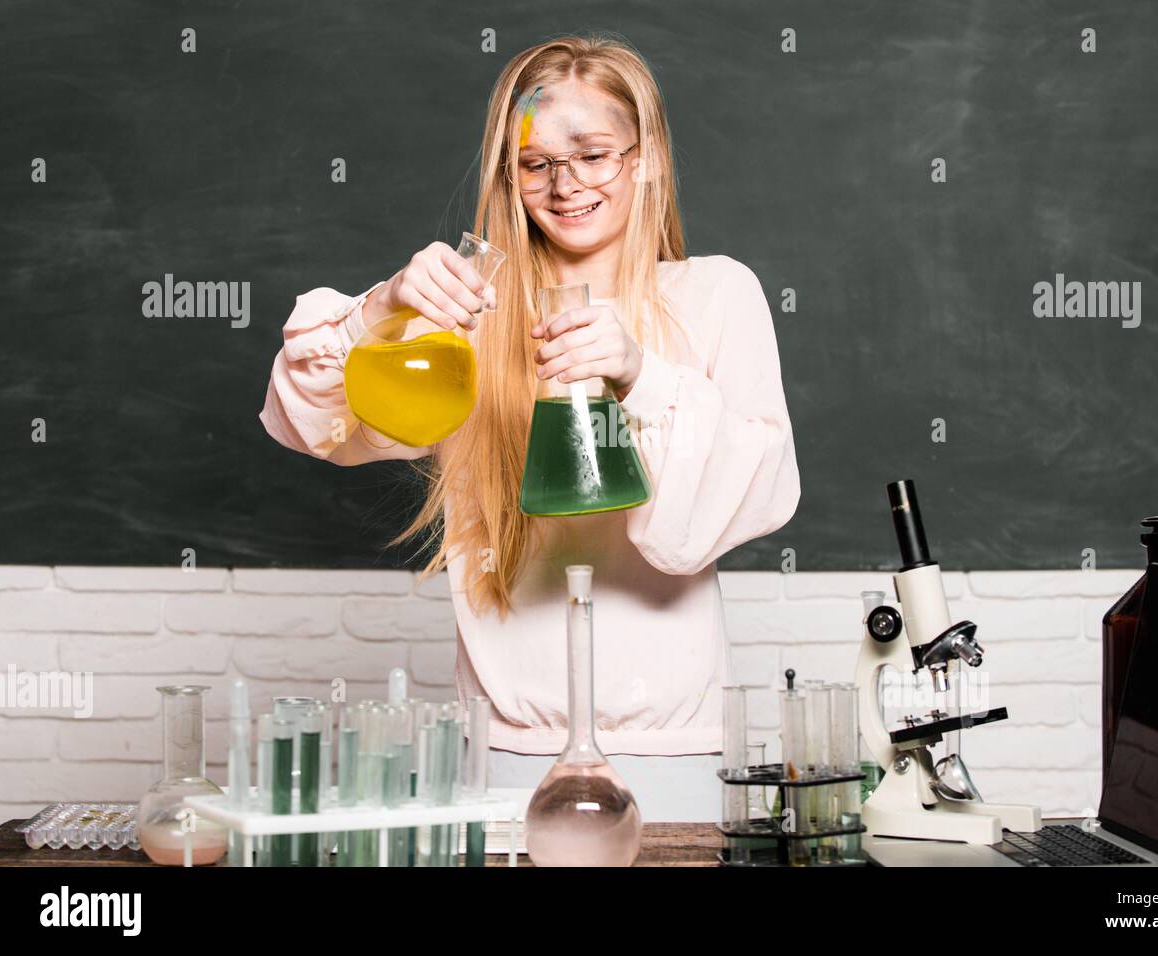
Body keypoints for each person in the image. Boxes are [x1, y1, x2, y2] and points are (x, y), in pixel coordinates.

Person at [259, 34, 800, 821]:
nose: (565, 184)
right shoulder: (470, 314)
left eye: (593, 155)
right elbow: (312, 423)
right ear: (509, 174)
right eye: (537, 162)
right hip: (504, 754)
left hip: (677, 757)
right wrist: (381, 310)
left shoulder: (717, 296)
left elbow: (750, 492)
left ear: (644, 158)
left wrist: (639, 374)